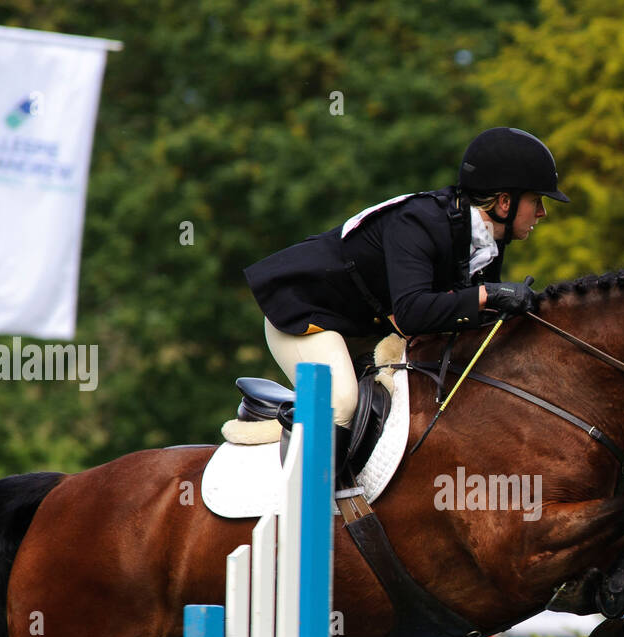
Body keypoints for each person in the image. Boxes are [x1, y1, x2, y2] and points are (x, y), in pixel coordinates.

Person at [243, 127, 569, 466]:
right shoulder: (419, 223)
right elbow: (413, 312)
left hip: (362, 327)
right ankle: (301, 511)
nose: (542, 213)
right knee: (341, 401)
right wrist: (489, 294)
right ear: (505, 201)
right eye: (537, 201)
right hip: (305, 314)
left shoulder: (485, 240)